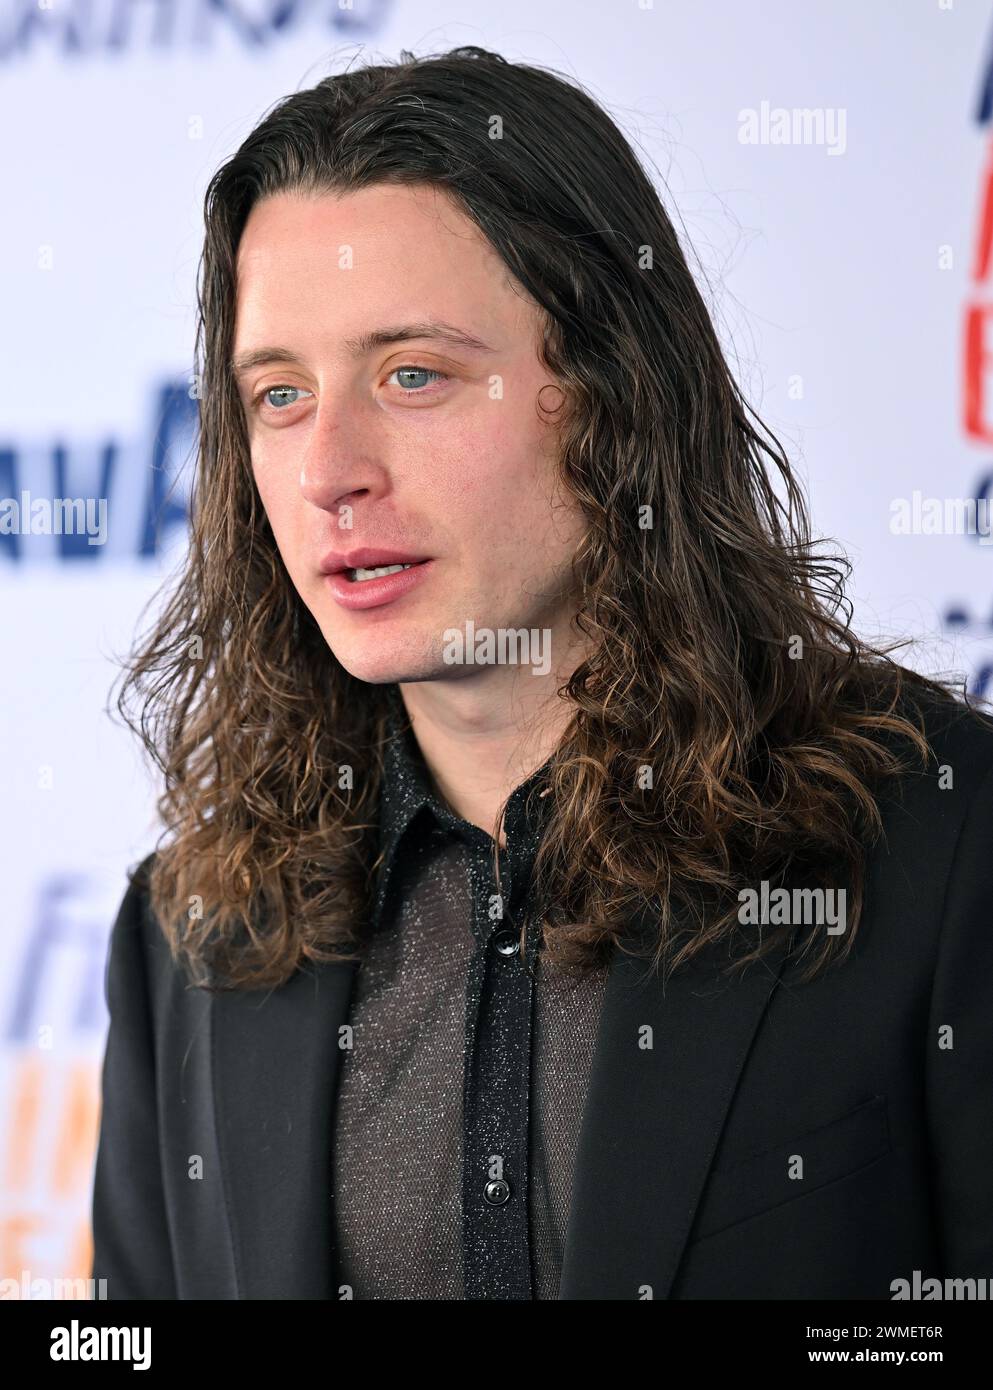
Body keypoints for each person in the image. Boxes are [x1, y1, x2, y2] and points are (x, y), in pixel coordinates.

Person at [90, 45, 993, 1301]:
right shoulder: (186, 933)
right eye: (280, 394)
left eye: (414, 375)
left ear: (612, 388)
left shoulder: (948, 843)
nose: (328, 469)